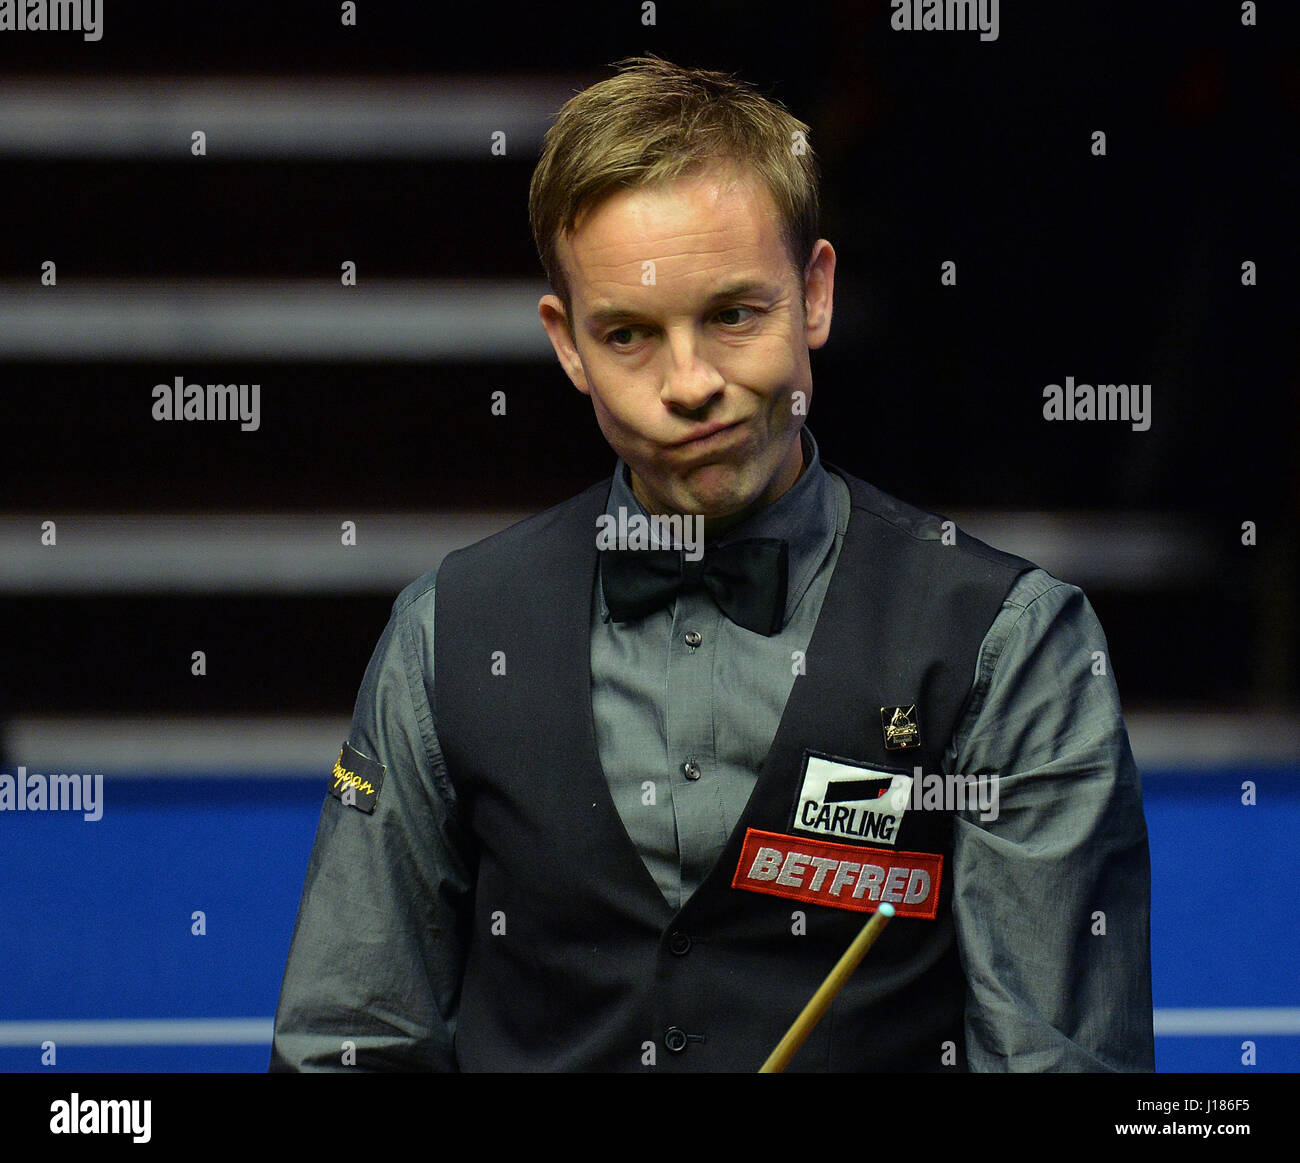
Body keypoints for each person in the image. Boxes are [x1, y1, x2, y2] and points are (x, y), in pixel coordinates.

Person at [270, 55, 1154, 1073]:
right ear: (568, 346)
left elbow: (1059, 1067)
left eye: (733, 315)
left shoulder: (1004, 642)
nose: (689, 384)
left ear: (812, 294)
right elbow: (352, 1045)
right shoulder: (448, 632)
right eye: (630, 334)